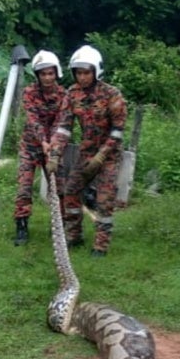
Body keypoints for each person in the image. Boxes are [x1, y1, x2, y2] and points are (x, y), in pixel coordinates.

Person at [47, 44, 127, 256]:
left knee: (104, 199)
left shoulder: (112, 94)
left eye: (87, 72)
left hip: (108, 156)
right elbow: (64, 127)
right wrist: (55, 153)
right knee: (71, 191)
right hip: (86, 154)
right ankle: (74, 236)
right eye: (79, 73)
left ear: (96, 71)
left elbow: (118, 130)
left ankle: (101, 244)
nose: (82, 77)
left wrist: (102, 156)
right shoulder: (72, 94)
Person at [12, 49, 65, 245]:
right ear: (37, 75)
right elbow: (33, 119)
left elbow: (61, 122)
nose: (47, 78)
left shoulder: (63, 95)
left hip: (53, 148)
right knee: (24, 187)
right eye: (43, 74)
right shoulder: (29, 92)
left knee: (58, 187)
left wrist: (53, 145)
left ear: (56, 73)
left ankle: (60, 228)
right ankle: (21, 227)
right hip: (30, 146)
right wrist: (43, 140)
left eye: (50, 73)